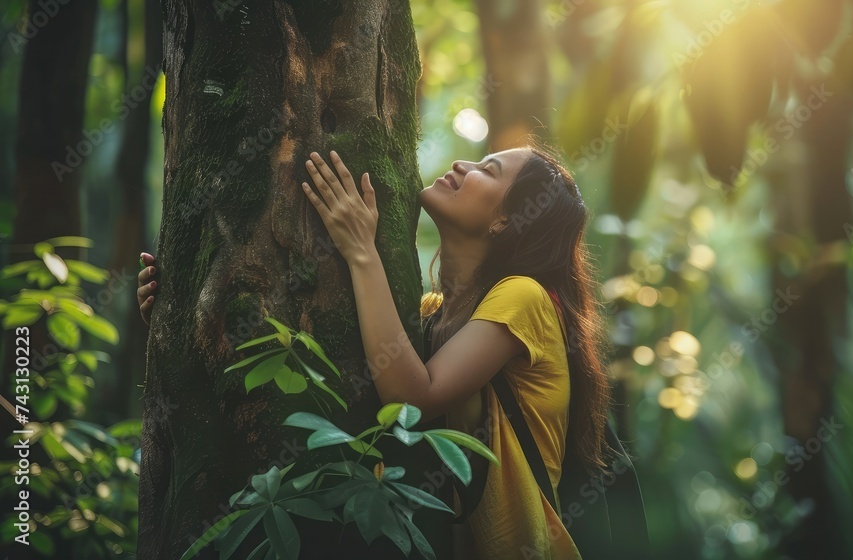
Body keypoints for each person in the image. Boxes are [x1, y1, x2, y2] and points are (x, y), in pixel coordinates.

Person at [136, 145, 613, 559]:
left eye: (488, 170)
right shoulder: (430, 315)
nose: (462, 164)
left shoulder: (525, 296)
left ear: (507, 220)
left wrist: (361, 250)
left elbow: (411, 398)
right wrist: (189, 317)